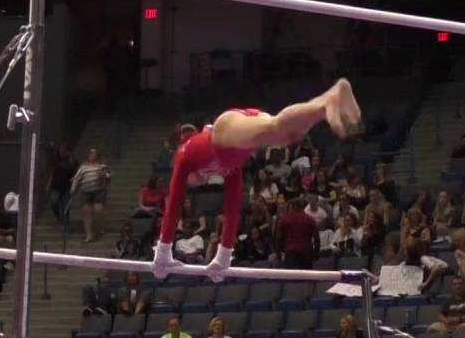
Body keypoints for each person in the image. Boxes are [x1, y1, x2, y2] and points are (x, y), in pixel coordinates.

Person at [154, 80, 362, 280]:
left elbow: (173, 205)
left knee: (278, 128)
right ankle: (324, 104)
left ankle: (327, 101)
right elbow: (232, 207)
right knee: (286, 135)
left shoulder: (184, 156)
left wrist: (162, 254)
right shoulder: (226, 169)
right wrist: (222, 258)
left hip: (226, 129)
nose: (194, 184)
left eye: (191, 181)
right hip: (238, 134)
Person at [71, 147, 111, 245]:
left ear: (97, 156)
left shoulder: (102, 166)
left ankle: (100, 227)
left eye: (94, 154)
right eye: (90, 153)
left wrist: (103, 175)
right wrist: (73, 188)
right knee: (86, 212)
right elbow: (77, 177)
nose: (92, 155)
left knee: (98, 210)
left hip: (98, 191)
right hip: (85, 191)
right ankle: (89, 235)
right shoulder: (84, 167)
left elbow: (108, 177)